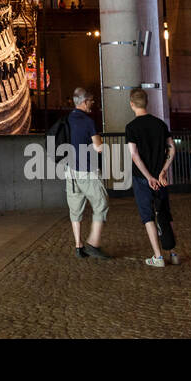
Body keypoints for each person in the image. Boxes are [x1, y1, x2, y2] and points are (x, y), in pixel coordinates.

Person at [124, 88, 179, 268]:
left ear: (132, 104)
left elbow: (134, 155)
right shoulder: (160, 124)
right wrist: (163, 171)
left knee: (148, 215)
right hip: (160, 177)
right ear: (146, 103)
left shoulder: (131, 127)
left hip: (142, 178)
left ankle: (158, 256)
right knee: (165, 212)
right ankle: (173, 252)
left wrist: (148, 176)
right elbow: (171, 148)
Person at [62, 87, 109, 259]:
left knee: (75, 210)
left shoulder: (67, 119)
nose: (92, 104)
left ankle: (78, 245)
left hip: (71, 171)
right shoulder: (88, 121)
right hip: (87, 171)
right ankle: (93, 243)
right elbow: (98, 148)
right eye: (91, 101)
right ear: (84, 102)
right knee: (101, 204)